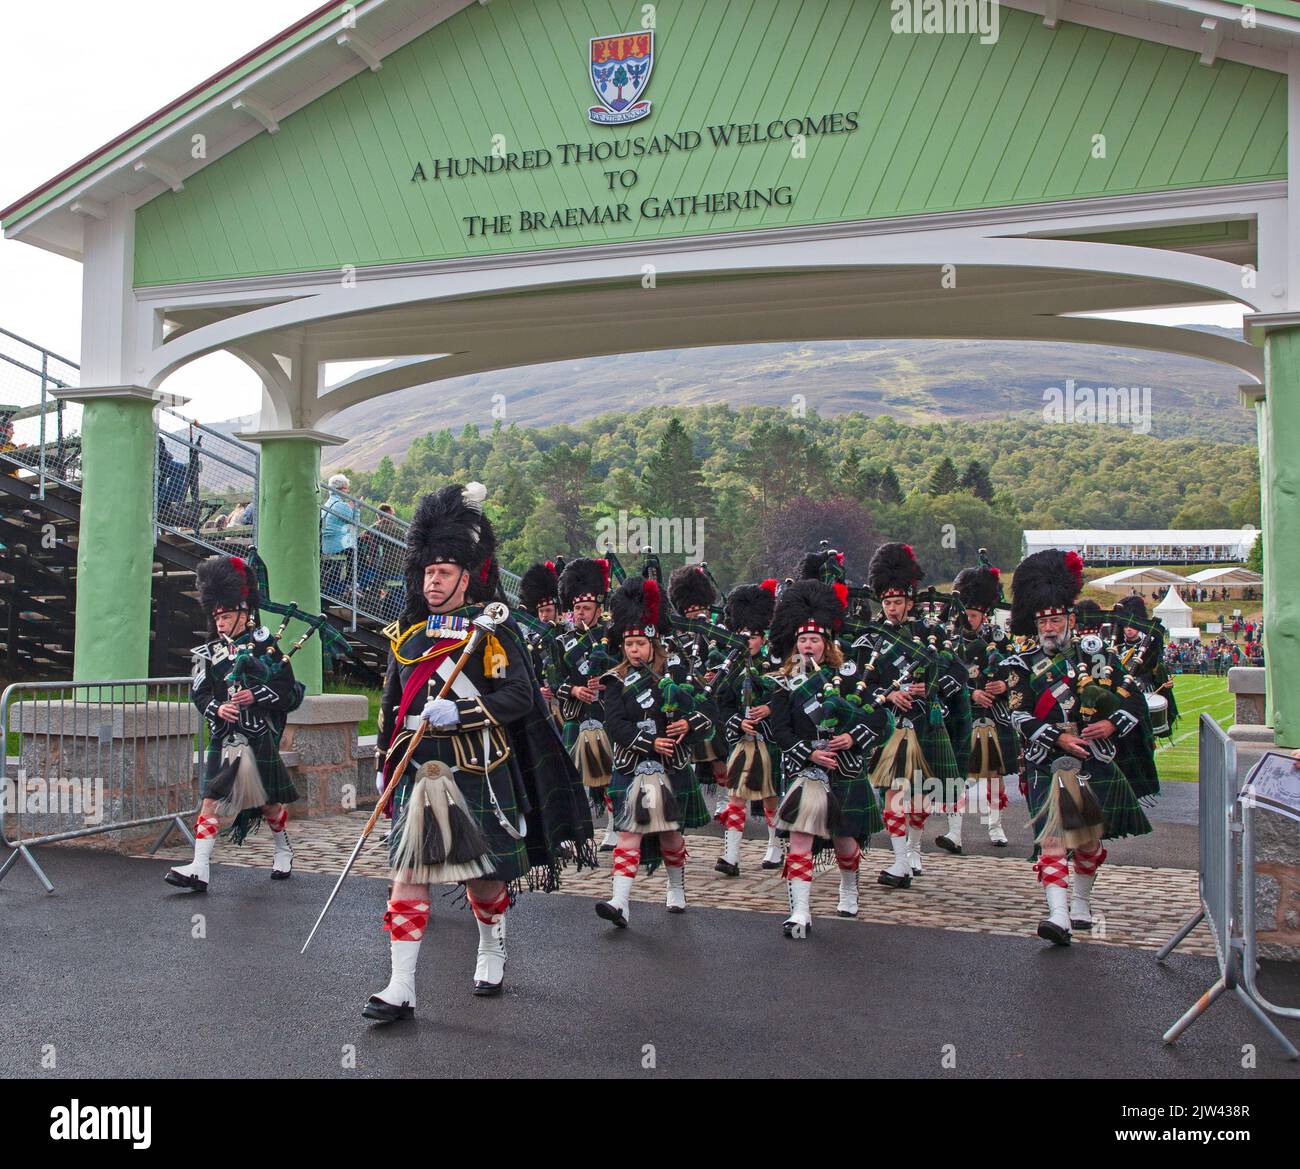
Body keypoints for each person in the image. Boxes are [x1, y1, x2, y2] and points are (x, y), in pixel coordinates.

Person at [365, 483, 592, 1022]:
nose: (433, 581)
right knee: (409, 875)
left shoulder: (493, 631)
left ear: (467, 576)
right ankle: (400, 987)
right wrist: (383, 760)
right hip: (420, 771)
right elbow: (392, 705)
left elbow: (519, 695)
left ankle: (492, 944)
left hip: (477, 768)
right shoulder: (408, 635)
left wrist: (461, 712)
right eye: (427, 572)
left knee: (483, 878)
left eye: (444, 572)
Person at [1002, 550, 1152, 945]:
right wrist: (1057, 737)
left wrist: (1109, 724)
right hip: (1047, 760)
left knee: (1087, 840)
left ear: (1070, 619)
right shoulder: (1020, 663)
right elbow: (1018, 715)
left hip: (1093, 758)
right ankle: (1058, 915)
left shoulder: (1097, 656)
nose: (1050, 627)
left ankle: (1081, 904)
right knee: (1052, 839)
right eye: (1043, 620)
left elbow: (1135, 702)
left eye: (1056, 619)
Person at [165, 555, 300, 893]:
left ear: (244, 612)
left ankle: (283, 847)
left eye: (226, 616)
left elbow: (288, 690)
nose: (221, 623)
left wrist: (256, 696)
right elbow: (199, 692)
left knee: (267, 803)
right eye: (217, 617)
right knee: (211, 798)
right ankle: (200, 868)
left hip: (256, 738)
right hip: (225, 738)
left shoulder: (266, 646)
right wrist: (217, 708)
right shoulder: (209, 652)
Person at [767, 579, 892, 936]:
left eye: (815, 640)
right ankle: (800, 912)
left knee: (845, 841)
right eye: (803, 640)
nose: (808, 646)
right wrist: (809, 752)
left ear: (827, 644)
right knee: (800, 839)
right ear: (796, 645)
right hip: (805, 771)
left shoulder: (851, 679)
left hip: (845, 769)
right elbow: (780, 729)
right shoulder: (784, 682)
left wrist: (853, 737)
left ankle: (849, 885)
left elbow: (878, 716)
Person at [594, 575, 713, 927]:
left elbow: (708, 709)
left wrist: (688, 724)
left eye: (640, 643)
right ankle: (620, 901)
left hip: (670, 765)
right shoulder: (614, 680)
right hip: (633, 764)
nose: (634, 650)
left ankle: (676, 888)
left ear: (653, 642)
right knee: (628, 832)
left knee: (671, 833)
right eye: (629, 644)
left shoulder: (676, 672)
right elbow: (614, 724)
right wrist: (649, 742)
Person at [859, 543, 964, 887]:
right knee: (893, 796)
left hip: (925, 725)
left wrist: (928, 689)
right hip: (891, 727)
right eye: (886, 602)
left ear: (909, 601)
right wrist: (888, 693)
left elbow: (958, 675)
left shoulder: (930, 634)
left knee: (920, 800)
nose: (891, 608)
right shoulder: (871, 638)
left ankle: (914, 850)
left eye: (897, 602)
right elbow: (859, 686)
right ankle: (900, 863)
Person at [937, 560, 1016, 852]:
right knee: (957, 773)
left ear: (985, 615)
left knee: (993, 774)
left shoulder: (1000, 641)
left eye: (975, 615)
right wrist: (970, 693)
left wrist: (1004, 686)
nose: (970, 620)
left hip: (992, 717)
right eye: (966, 614)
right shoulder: (945, 643)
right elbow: (939, 678)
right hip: (961, 715)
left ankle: (995, 827)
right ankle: (954, 833)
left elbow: (1018, 673)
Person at [712, 580, 781, 875]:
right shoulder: (731, 668)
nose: (748, 641)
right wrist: (736, 721)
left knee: (771, 796)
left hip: (769, 739)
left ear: (763, 638)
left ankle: (776, 846)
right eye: (743, 635)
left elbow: (790, 698)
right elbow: (722, 704)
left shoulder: (776, 665)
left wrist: (770, 708)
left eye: (753, 636)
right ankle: (731, 856)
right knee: (736, 794)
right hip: (742, 738)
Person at [556, 557, 618, 848]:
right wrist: (573, 690)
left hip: (604, 710)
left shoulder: (611, 638)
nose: (580, 613)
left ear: (598, 609)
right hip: (576, 712)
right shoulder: (562, 640)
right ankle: (573, 832)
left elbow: (624, 672)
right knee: (571, 774)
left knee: (608, 771)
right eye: (577, 608)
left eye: (586, 608)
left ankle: (614, 828)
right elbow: (552, 680)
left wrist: (605, 682)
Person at [320, 474, 359, 596]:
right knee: (359, 556)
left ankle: (338, 587)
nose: (348, 491)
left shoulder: (328, 503)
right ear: (340, 490)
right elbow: (355, 523)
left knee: (336, 570)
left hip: (327, 543)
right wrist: (355, 508)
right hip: (336, 545)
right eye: (346, 489)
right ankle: (349, 584)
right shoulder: (341, 505)